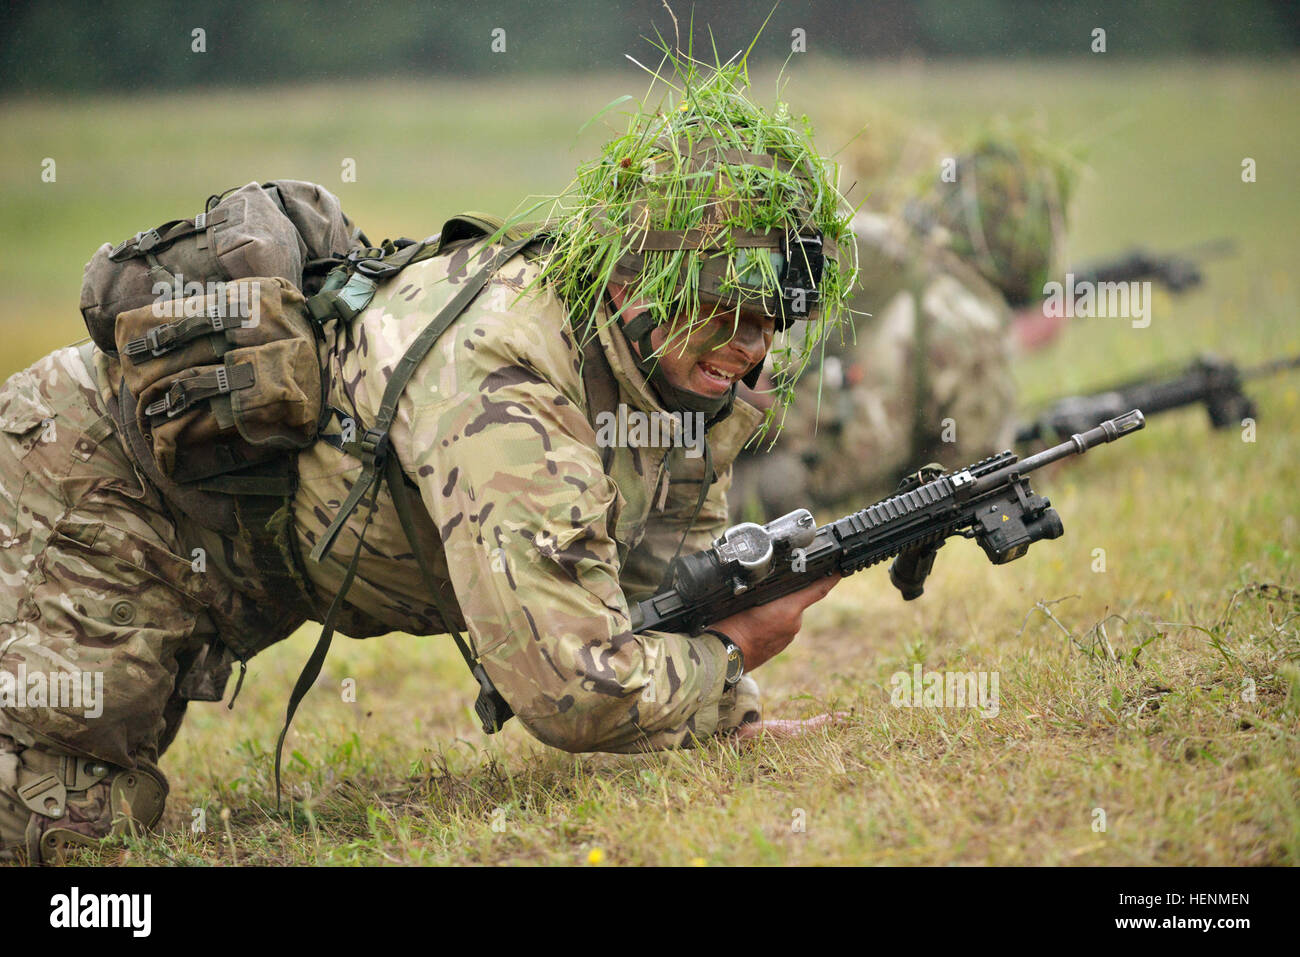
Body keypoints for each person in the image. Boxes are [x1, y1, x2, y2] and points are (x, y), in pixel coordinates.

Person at [0, 53, 857, 863]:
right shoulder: (506, 378)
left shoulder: (666, 371)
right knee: (63, 839)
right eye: (726, 311)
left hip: (235, 544)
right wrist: (736, 647)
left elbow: (664, 573)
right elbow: (574, 688)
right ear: (636, 285)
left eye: (772, 321)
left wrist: (729, 719)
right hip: (93, 485)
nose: (752, 346)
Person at [730, 132, 1073, 522]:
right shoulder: (969, 320)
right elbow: (978, 475)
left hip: (719, 452)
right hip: (780, 480)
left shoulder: (862, 239)